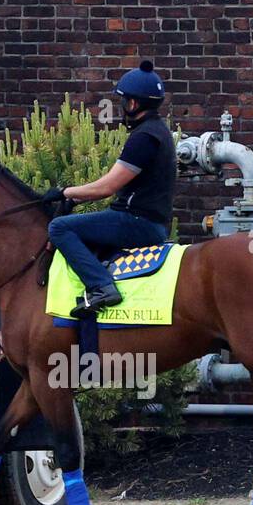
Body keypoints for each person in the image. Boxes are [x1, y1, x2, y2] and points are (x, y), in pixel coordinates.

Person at [44, 60, 176, 316]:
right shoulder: (159, 132)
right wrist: (78, 199)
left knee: (59, 227)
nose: (122, 106)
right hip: (150, 220)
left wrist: (65, 192)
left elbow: (107, 187)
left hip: (136, 221)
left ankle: (102, 287)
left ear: (133, 104)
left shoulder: (143, 138)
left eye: (123, 101)